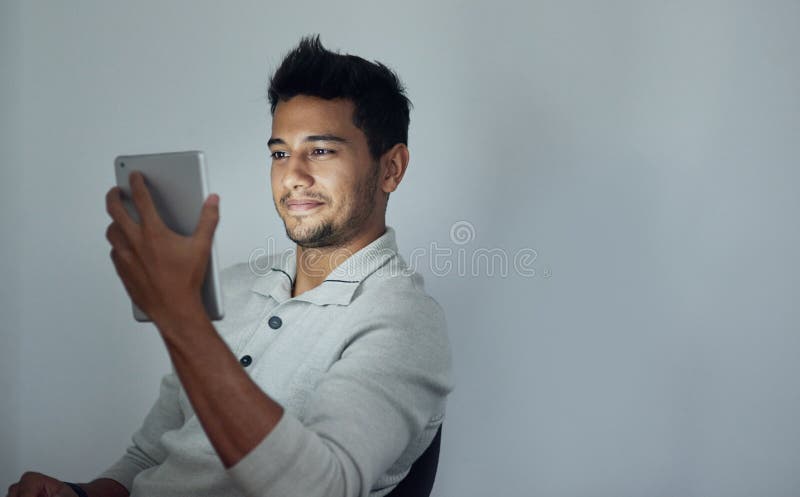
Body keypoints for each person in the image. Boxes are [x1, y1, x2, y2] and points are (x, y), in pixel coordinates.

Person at [7, 36, 453, 497]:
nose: (292, 175)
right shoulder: (234, 287)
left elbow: (322, 488)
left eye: (321, 151)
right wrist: (79, 494)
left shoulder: (404, 319)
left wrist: (183, 319)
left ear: (391, 169)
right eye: (280, 152)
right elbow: (149, 459)